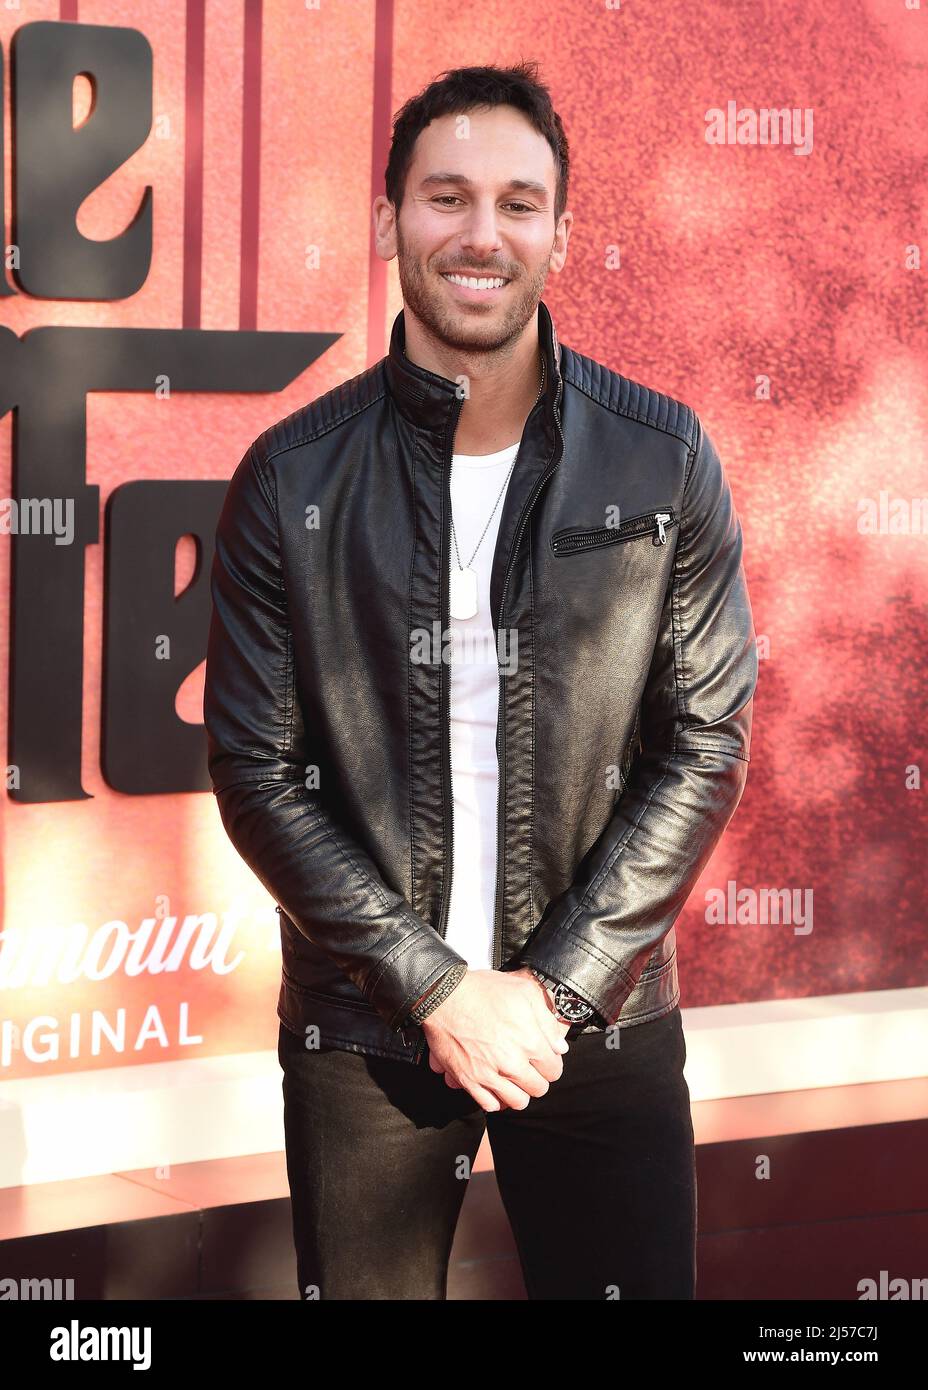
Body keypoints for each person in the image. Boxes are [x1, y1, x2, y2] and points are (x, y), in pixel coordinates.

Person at [204, 60, 757, 1300]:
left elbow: (705, 741)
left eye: (518, 201)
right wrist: (437, 985)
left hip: (600, 1015)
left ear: (562, 231)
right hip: (365, 1026)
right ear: (389, 218)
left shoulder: (661, 460)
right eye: (445, 196)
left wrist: (548, 992)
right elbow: (253, 767)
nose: (481, 233)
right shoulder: (289, 481)